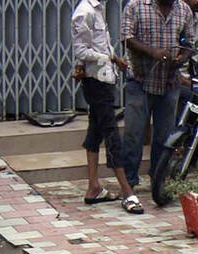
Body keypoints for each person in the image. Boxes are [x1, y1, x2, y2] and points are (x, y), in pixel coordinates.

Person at [72, 0, 142, 214]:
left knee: (95, 132)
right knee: (111, 134)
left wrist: (113, 59)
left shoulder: (97, 9)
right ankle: (127, 192)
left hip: (102, 79)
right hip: (96, 83)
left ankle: (94, 188)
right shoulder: (84, 12)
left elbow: (97, 45)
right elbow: (81, 50)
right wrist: (110, 58)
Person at [120, 0, 196, 191]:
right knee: (134, 134)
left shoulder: (183, 9)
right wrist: (152, 52)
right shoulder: (136, 6)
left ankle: (158, 179)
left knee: (164, 136)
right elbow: (126, 37)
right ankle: (129, 183)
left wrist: (181, 57)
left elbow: (189, 43)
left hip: (169, 83)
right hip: (140, 80)